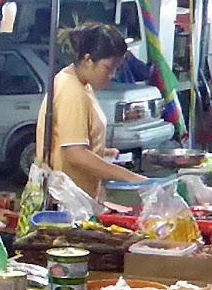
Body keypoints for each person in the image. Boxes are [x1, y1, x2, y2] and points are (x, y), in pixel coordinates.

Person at [33, 23, 149, 199]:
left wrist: (102, 151)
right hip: (66, 201)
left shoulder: (81, 84)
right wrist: (131, 178)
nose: (111, 75)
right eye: (108, 68)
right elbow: (75, 154)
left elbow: (72, 141)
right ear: (88, 60)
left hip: (79, 196)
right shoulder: (71, 90)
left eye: (116, 69)